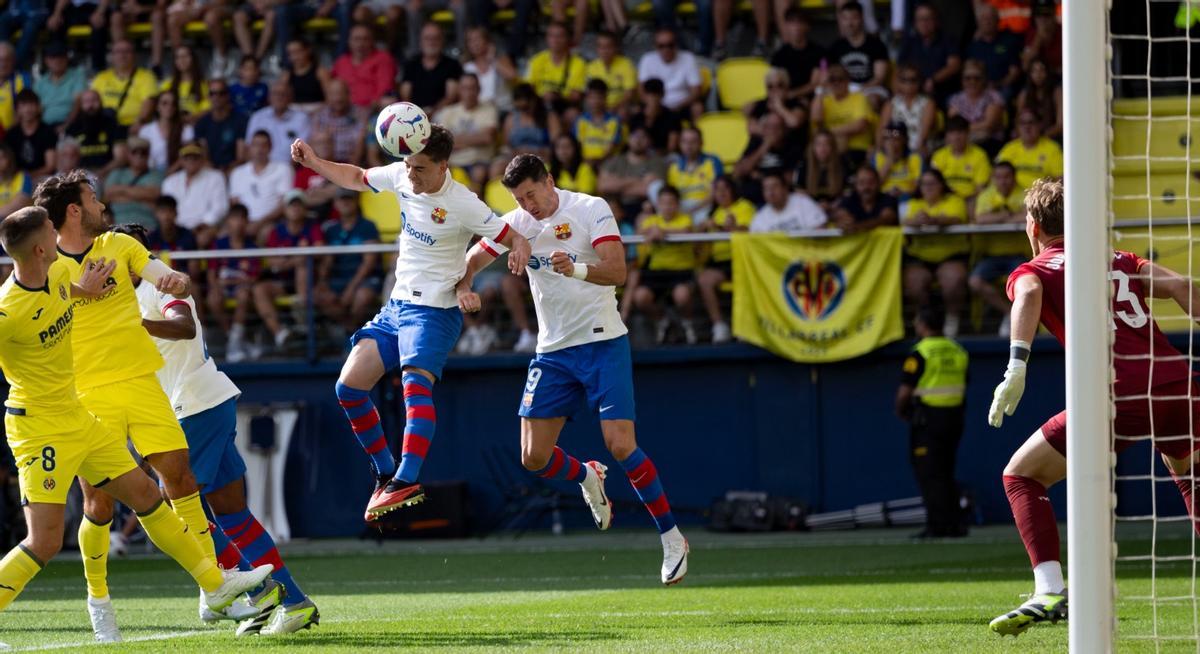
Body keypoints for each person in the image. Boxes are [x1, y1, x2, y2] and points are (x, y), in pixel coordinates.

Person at [0, 206, 272, 635]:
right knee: (46, 541)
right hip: (39, 428)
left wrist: (88, 291)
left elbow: (68, 296)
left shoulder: (55, 275)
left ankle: (215, 585)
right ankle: (102, 601)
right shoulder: (8, 310)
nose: (59, 232)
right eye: (52, 230)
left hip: (77, 416)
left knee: (148, 495)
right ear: (39, 247)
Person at [459, 153, 690, 584]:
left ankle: (672, 537)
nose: (526, 204)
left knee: (620, 443)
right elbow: (472, 256)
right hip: (553, 353)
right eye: (518, 198)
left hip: (603, 342)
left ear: (549, 181)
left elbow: (618, 270)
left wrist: (577, 267)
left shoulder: (590, 208)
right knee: (533, 457)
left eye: (530, 193)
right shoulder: (518, 224)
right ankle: (586, 475)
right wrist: (464, 284)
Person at [985, 177, 1200, 635]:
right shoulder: (1119, 259)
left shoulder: (1034, 268)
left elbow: (1026, 296)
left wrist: (1015, 367)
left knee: (1020, 475)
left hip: (1114, 393)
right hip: (1178, 384)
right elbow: (1182, 284)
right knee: (1188, 474)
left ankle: (1048, 592)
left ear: (1033, 226)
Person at [290, 124, 531, 521]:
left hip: (435, 311)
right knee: (348, 387)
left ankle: (407, 479)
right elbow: (356, 176)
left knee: (413, 386)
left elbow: (512, 235)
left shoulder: (463, 202)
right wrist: (315, 161)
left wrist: (518, 251)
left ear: (442, 166)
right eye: (408, 165)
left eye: (420, 168)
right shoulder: (403, 175)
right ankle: (386, 474)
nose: (411, 174)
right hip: (396, 307)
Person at [894, 306, 969, 539]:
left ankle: (937, 525)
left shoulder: (920, 352)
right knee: (947, 471)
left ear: (923, 325)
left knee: (929, 472)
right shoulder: (957, 350)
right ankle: (956, 524)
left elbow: (905, 391)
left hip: (928, 420)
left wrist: (901, 410)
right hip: (954, 418)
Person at [253, 190, 324, 350]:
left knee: (302, 267)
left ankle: (302, 318)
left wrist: (286, 261)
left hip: (310, 282)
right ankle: (280, 334)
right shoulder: (276, 231)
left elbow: (318, 251)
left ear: (305, 208)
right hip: (282, 282)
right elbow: (272, 262)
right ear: (285, 209)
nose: (295, 209)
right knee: (259, 289)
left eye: (299, 205)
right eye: (292, 205)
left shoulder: (313, 227)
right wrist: (298, 256)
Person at [903, 170, 969, 337]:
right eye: (925, 183)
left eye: (933, 183)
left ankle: (952, 319)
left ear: (942, 185)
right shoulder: (914, 204)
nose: (928, 187)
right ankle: (924, 320)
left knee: (953, 281)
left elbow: (956, 218)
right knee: (914, 283)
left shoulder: (954, 201)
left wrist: (933, 220)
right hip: (920, 257)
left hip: (950, 256)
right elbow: (906, 222)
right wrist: (915, 221)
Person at [632, 185, 698, 344]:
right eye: (663, 203)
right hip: (657, 272)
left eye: (671, 203)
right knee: (640, 297)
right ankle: (662, 320)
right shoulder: (652, 221)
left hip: (682, 271)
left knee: (682, 296)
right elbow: (639, 233)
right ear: (658, 205)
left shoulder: (685, 219)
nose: (667, 207)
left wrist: (662, 233)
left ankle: (687, 324)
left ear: (678, 204)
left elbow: (687, 231)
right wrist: (650, 231)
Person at [968, 162, 1028, 336]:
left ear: (1014, 177)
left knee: (1025, 285)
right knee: (975, 282)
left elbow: (1027, 216)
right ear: (993, 178)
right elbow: (980, 219)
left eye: (1007, 177)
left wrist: (998, 218)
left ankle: (1021, 321)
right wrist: (1009, 216)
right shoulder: (986, 196)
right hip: (991, 257)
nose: (1003, 181)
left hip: (1018, 256)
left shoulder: (1024, 193)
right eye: (999, 177)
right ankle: (1009, 312)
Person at [315, 189, 383, 334]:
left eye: (349, 199)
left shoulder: (368, 226)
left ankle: (348, 336)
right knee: (318, 295)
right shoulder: (330, 229)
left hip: (365, 278)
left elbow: (369, 263)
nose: (345, 202)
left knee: (362, 297)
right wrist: (323, 282)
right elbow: (327, 261)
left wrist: (350, 289)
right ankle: (350, 331)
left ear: (356, 201)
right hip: (339, 278)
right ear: (335, 203)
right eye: (341, 199)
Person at [697, 175, 753, 344]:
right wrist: (701, 231)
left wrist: (731, 227)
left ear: (733, 190)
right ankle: (719, 326)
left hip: (743, 260)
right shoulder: (713, 213)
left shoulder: (744, 206)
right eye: (717, 189)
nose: (720, 193)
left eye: (724, 188)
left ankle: (745, 327)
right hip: (719, 262)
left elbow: (751, 231)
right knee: (704, 279)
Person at [207, 205, 258, 362]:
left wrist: (231, 281)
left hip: (242, 290)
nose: (238, 223)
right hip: (221, 288)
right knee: (213, 299)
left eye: (242, 218)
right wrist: (217, 287)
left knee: (243, 295)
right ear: (228, 221)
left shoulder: (252, 247)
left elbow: (253, 278)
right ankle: (234, 341)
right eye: (235, 218)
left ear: (247, 222)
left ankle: (234, 343)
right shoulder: (219, 244)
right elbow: (211, 274)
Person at [435, 73, 498, 190]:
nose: (469, 93)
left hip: (479, 162)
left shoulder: (489, 109)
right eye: (465, 88)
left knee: (479, 174)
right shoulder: (448, 112)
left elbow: (486, 138)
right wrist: (474, 139)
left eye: (472, 88)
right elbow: (442, 143)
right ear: (459, 90)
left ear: (479, 89)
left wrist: (455, 139)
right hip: (452, 162)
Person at [161, 142, 228, 246]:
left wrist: (202, 225)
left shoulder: (215, 177)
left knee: (202, 238)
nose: (191, 161)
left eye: (195, 157)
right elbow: (166, 208)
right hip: (175, 228)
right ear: (181, 160)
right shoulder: (170, 181)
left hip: (203, 227)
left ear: (202, 159)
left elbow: (220, 208)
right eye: (187, 157)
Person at [826, 1, 889, 108]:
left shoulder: (876, 45)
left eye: (854, 18)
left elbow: (879, 77)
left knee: (872, 99)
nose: (850, 23)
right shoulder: (836, 47)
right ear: (840, 21)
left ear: (861, 18)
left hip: (870, 88)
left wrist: (859, 90)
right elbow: (830, 74)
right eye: (845, 18)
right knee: (822, 97)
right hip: (844, 87)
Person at [598, 125, 666, 224]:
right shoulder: (615, 160)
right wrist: (637, 181)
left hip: (642, 206)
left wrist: (617, 184)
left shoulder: (656, 162)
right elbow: (603, 186)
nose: (638, 141)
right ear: (628, 138)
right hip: (616, 205)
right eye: (635, 136)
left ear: (649, 141)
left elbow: (649, 189)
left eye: (643, 137)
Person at [229, 131, 294, 235]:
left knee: (267, 233)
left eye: (263, 145)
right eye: (255, 145)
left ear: (270, 147)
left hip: (271, 222)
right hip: (243, 222)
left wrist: (259, 223)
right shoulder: (237, 173)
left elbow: (283, 204)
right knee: (224, 235)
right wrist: (243, 223)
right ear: (249, 147)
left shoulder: (283, 169)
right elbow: (235, 203)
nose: (259, 150)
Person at [810, 64, 873, 168]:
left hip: (856, 149)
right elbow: (816, 120)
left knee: (840, 141)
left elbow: (860, 125)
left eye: (840, 79)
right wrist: (821, 88)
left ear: (848, 80)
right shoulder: (824, 101)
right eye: (832, 80)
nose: (836, 83)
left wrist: (829, 131)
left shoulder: (859, 98)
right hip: (827, 150)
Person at [897, 2, 961, 103]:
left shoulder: (948, 40)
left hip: (941, 92)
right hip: (913, 90)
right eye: (920, 19)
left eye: (928, 19)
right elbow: (900, 69)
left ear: (936, 21)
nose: (924, 23)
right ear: (915, 23)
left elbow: (954, 65)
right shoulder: (910, 42)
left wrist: (933, 80)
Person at [90, 39, 159, 131]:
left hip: (134, 127)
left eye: (127, 51)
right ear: (112, 56)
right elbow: (91, 102)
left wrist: (140, 122)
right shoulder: (101, 78)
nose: (122, 55)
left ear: (134, 56)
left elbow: (149, 103)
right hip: (104, 127)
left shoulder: (146, 77)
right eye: (118, 52)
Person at [637, 28, 704, 121]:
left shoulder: (688, 58)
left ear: (676, 44)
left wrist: (678, 107)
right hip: (656, 106)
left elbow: (696, 91)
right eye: (661, 46)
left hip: (682, 106)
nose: (666, 49)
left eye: (670, 45)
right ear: (655, 46)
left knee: (697, 107)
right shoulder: (647, 59)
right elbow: (641, 91)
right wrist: (654, 105)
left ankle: (693, 134)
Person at [331, 23, 399, 111]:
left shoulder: (383, 59)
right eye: (356, 39)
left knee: (387, 101)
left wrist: (368, 109)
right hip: (345, 110)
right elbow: (333, 89)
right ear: (349, 41)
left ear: (372, 41)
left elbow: (384, 90)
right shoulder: (341, 62)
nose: (360, 44)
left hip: (373, 109)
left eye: (365, 39)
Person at [400, 23, 463, 116]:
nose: (431, 42)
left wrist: (432, 112)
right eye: (427, 38)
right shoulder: (411, 64)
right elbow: (405, 95)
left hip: (443, 113)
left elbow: (451, 97)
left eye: (436, 38)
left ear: (443, 41)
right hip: (414, 113)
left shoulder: (452, 64)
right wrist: (416, 113)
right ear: (420, 41)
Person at [103, 137, 165, 232]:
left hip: (147, 226)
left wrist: (121, 191)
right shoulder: (117, 173)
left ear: (148, 155)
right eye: (134, 152)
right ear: (128, 154)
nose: (139, 156)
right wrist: (142, 196)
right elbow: (108, 194)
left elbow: (154, 195)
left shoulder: (156, 175)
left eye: (143, 152)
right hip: (117, 225)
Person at [996, 109, 1064, 193]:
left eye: (1031, 122)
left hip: (1040, 198)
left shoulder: (1052, 149)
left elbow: (1060, 180)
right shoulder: (1009, 148)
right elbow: (996, 176)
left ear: (1040, 125)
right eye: (1022, 123)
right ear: (1017, 127)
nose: (1027, 127)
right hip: (1012, 199)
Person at [947, 60, 1006, 156]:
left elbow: (988, 125)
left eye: (977, 78)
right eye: (968, 78)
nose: (972, 81)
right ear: (962, 80)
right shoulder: (956, 99)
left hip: (989, 141)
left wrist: (963, 130)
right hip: (963, 137)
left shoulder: (993, 97)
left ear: (983, 79)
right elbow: (954, 124)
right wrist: (965, 131)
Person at [526, 21, 587, 114]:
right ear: (547, 38)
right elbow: (529, 88)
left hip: (564, 105)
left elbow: (576, 95)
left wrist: (556, 97)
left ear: (567, 39)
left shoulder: (579, 63)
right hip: (540, 105)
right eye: (551, 36)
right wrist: (541, 98)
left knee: (572, 114)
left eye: (560, 36)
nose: (555, 40)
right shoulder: (536, 60)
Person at [877, 64, 936, 157]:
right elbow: (883, 130)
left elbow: (924, 132)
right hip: (895, 148)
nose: (908, 84)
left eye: (913, 80)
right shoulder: (891, 104)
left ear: (919, 82)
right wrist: (886, 143)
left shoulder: (927, 103)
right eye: (904, 80)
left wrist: (916, 151)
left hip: (917, 148)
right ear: (898, 82)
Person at [966, 3, 1023, 98]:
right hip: (978, 89)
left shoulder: (1008, 42)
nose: (987, 22)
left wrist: (998, 84)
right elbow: (968, 73)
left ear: (998, 20)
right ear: (978, 22)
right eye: (984, 18)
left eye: (990, 18)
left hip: (1002, 87)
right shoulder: (973, 47)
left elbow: (1014, 72)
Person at [246, 82, 311, 165]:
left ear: (291, 97)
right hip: (261, 166)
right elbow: (249, 148)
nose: (279, 97)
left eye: (283, 94)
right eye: (275, 93)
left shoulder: (301, 118)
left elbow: (302, 151)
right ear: (269, 97)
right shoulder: (258, 117)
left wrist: (288, 170)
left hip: (288, 167)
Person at [667, 127, 723, 222]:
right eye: (685, 142)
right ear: (680, 144)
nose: (689, 146)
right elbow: (670, 195)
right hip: (681, 206)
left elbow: (716, 192)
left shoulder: (712, 161)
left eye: (693, 142)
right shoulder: (674, 166)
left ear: (701, 143)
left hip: (704, 206)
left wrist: (692, 210)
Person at [929, 116, 991, 201]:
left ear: (968, 134)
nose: (956, 137)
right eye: (952, 133)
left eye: (960, 132)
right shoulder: (938, 156)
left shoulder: (980, 155)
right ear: (947, 136)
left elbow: (980, 188)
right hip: (944, 200)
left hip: (969, 200)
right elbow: (933, 185)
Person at [193, 79, 249, 173]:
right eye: (212, 93)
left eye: (221, 93)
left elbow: (241, 157)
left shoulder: (240, 121)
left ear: (227, 95)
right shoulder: (201, 123)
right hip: (210, 172)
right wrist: (216, 174)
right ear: (208, 97)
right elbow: (204, 156)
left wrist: (228, 171)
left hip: (235, 171)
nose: (216, 97)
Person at [66, 90, 123, 178]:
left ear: (101, 102)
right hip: (79, 174)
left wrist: (103, 172)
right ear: (80, 105)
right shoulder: (73, 128)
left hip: (108, 172)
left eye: (94, 100)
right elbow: (66, 158)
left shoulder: (112, 125)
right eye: (86, 102)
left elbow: (120, 158)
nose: (91, 105)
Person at [770, 8, 823, 99]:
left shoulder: (818, 52)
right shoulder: (779, 54)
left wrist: (792, 94)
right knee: (748, 107)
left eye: (800, 22)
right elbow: (774, 81)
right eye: (792, 23)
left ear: (808, 26)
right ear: (786, 26)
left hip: (807, 98)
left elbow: (816, 83)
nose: (796, 27)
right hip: (784, 98)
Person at [749, 171, 827, 233]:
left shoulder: (803, 203)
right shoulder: (760, 218)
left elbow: (821, 231)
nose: (770, 192)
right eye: (766, 188)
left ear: (785, 188)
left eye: (774, 186)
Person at [32, 43, 86, 129]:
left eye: (61, 56)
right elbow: (37, 109)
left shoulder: (77, 76)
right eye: (53, 57)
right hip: (45, 126)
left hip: (72, 124)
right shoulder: (40, 83)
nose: (57, 60)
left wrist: (67, 125)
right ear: (46, 60)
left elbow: (78, 103)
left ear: (67, 59)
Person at [137, 90, 194, 172]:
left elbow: (188, 155)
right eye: (164, 103)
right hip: (151, 173)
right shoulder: (146, 131)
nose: (169, 107)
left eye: (173, 104)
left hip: (179, 173)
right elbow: (141, 156)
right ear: (157, 107)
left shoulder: (187, 130)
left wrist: (169, 172)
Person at [311, 80, 366, 166]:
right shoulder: (320, 115)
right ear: (327, 96)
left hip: (350, 164)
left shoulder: (359, 114)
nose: (338, 98)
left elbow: (360, 144)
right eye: (333, 94)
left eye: (341, 93)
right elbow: (315, 144)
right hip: (325, 164)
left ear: (348, 95)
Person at [831, 165, 899, 234]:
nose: (866, 187)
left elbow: (887, 219)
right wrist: (843, 222)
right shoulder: (849, 200)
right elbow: (841, 215)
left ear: (878, 183)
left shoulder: (888, 199)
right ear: (856, 185)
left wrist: (859, 227)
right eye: (861, 183)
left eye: (871, 182)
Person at [5, 90, 56, 179]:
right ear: (17, 109)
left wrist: (28, 177)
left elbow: (50, 166)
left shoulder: (47, 131)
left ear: (38, 107)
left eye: (31, 104)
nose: (27, 109)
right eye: (23, 105)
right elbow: (7, 164)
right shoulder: (11, 135)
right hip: (16, 180)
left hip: (43, 178)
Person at [574, 80, 622, 167]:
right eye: (592, 98)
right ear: (587, 99)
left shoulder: (614, 121)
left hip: (607, 164)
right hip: (584, 164)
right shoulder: (581, 121)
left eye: (599, 97)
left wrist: (598, 162)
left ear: (605, 98)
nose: (595, 102)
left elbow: (611, 148)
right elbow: (577, 146)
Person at [585, 31, 637, 112]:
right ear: (597, 49)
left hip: (620, 107)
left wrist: (614, 107)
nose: (604, 51)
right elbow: (590, 95)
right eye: (601, 47)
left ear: (616, 48)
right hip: (598, 108)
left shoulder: (626, 64)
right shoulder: (591, 67)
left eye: (608, 47)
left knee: (623, 112)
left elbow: (629, 93)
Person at [1016, 59, 1063, 141]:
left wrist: (1041, 137)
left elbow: (1060, 124)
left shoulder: (1057, 92)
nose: (1038, 74)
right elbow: (1019, 121)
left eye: (1042, 70)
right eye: (1034, 71)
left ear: (1047, 73)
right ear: (1030, 74)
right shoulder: (1024, 94)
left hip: (1052, 137)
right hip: (1029, 138)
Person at [873, 122, 921, 200]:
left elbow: (918, 187)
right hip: (883, 199)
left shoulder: (914, 158)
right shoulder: (878, 157)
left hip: (907, 199)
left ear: (904, 140)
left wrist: (904, 193)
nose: (891, 142)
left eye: (896, 138)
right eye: (888, 138)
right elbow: (875, 185)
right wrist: (889, 160)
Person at [161, 45, 210, 120]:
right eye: (178, 57)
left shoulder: (203, 85)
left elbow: (207, 110)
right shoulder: (167, 84)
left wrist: (189, 119)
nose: (182, 60)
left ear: (193, 59)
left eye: (185, 56)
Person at [802, 129, 845, 212]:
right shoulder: (804, 166)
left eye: (827, 144)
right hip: (811, 211)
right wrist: (816, 206)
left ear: (833, 147)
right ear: (813, 147)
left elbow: (847, 194)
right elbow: (800, 195)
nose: (822, 148)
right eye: (818, 144)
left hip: (836, 209)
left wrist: (831, 206)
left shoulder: (842, 165)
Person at [0, 44, 29, 133]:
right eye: (0, 60)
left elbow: (26, 109)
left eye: (7, 60)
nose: (3, 64)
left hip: (13, 135)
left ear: (13, 61)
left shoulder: (22, 80)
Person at [0, 145, 32, 218]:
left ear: (9, 159)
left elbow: (18, 205)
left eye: (2, 157)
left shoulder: (22, 177)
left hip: (17, 220)